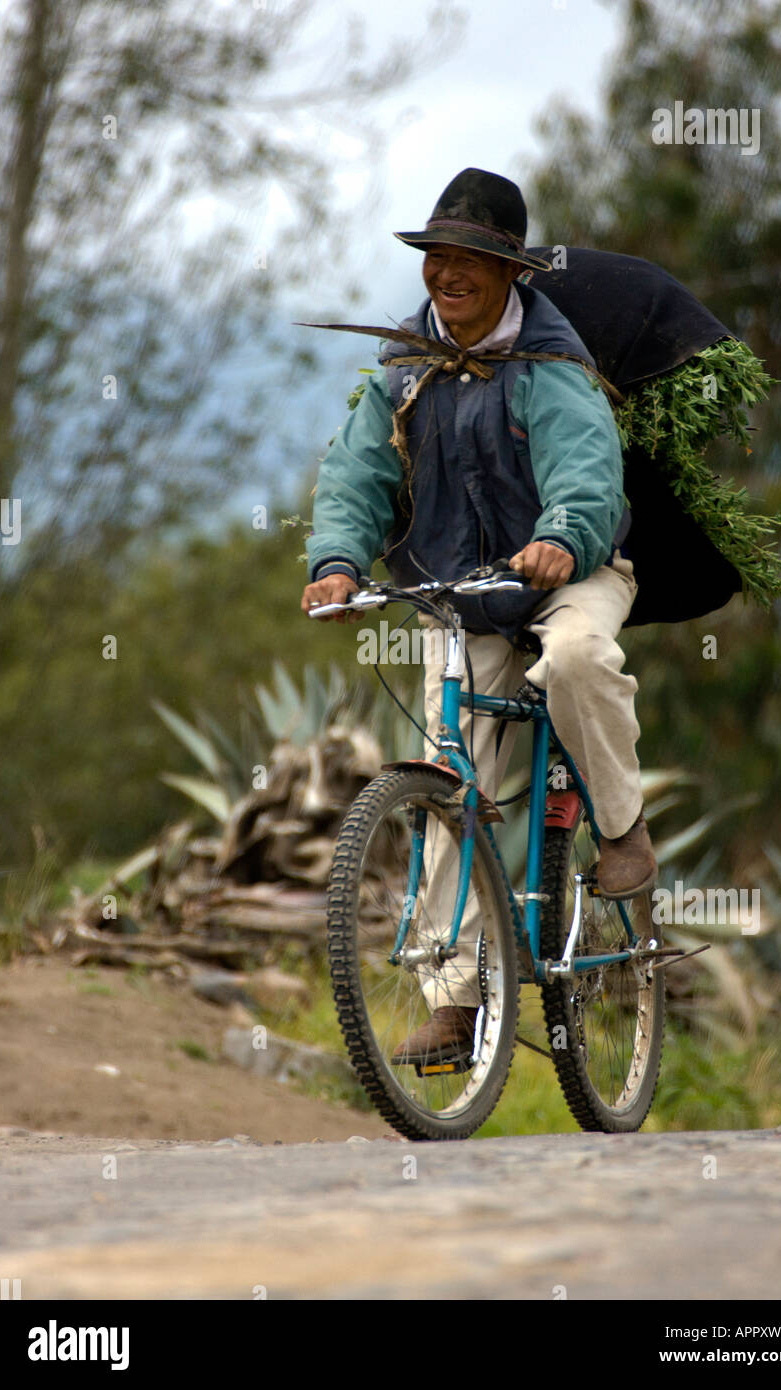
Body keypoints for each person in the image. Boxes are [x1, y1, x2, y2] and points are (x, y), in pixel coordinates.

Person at [300, 168, 657, 1061]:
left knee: (575, 660)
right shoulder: (405, 369)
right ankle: (457, 1002)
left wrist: (566, 536)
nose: (447, 274)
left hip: (572, 574)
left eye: (470, 259)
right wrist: (338, 563)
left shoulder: (551, 365)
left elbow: (585, 470)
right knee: (451, 774)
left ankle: (621, 828)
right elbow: (355, 478)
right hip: (466, 594)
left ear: (511, 272)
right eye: (437, 258)